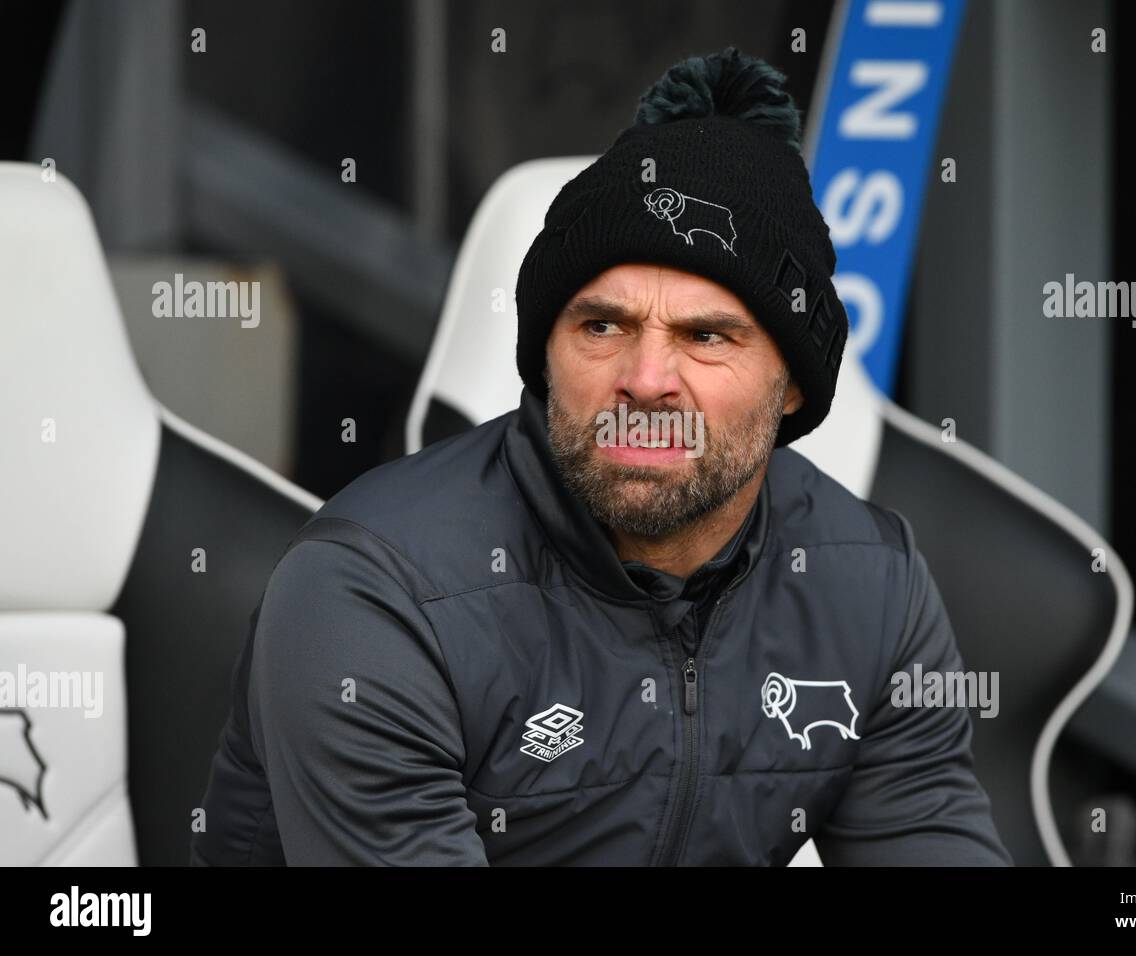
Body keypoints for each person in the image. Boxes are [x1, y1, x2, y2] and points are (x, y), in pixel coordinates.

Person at [192, 47, 1012, 866]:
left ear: (792, 385)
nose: (647, 380)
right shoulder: (377, 593)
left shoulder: (869, 583)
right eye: (602, 326)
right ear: (546, 357)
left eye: (707, 336)